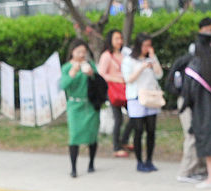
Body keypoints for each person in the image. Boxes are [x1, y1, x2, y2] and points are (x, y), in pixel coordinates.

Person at [183, 26, 211, 189]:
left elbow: (188, 91)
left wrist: (187, 104)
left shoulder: (195, 65)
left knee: (208, 142)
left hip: (202, 109)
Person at [169, 18, 211, 183]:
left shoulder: (202, 61)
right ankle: (185, 171)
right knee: (191, 135)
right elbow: (172, 83)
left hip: (196, 103)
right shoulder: (187, 61)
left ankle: (199, 168)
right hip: (187, 103)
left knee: (198, 134)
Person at [121, 34, 163, 172]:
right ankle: (139, 161)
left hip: (151, 97)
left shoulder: (151, 59)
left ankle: (149, 159)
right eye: (145, 45)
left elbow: (159, 75)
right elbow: (128, 79)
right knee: (138, 130)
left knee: (151, 130)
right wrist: (141, 68)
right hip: (136, 98)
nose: (147, 48)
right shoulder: (129, 60)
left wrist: (153, 58)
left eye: (149, 45)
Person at [59, 40, 99, 177]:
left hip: (90, 105)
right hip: (75, 105)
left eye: (84, 52)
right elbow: (63, 85)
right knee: (74, 136)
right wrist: (73, 73)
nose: (82, 55)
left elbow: (99, 83)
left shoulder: (90, 65)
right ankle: (74, 168)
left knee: (92, 135)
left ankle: (91, 163)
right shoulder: (66, 67)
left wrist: (92, 74)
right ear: (72, 52)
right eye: (78, 52)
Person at [98, 29, 135, 158]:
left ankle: (124, 141)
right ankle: (116, 146)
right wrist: (117, 79)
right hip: (114, 91)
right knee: (118, 119)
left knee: (134, 116)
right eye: (116, 39)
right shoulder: (106, 56)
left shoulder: (124, 55)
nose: (120, 41)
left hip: (125, 89)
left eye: (121, 38)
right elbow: (101, 74)